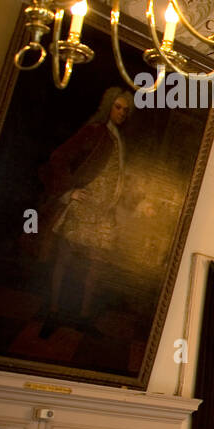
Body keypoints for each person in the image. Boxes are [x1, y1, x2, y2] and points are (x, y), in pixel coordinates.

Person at [36, 86, 133, 338]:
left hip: (104, 213)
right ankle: (53, 313)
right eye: (117, 107)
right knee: (64, 260)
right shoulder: (94, 131)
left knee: (95, 267)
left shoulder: (118, 139)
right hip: (83, 208)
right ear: (108, 106)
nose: (121, 112)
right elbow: (59, 157)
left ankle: (83, 317)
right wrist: (69, 192)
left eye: (125, 109)